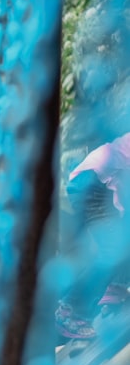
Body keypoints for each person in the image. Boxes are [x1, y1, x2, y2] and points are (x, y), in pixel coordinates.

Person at [56, 132, 130, 345]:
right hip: (92, 182)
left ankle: (115, 286)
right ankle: (70, 312)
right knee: (113, 248)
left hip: (97, 182)